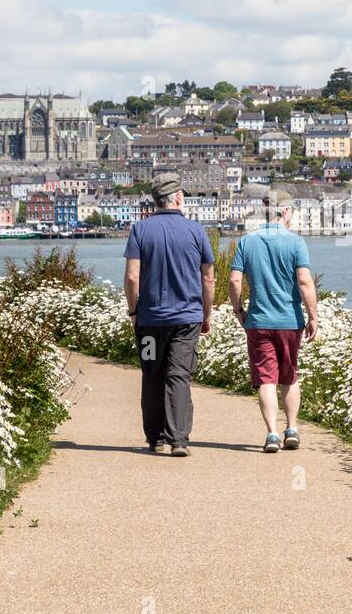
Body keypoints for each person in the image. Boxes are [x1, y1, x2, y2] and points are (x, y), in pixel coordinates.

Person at [123, 171, 215, 456]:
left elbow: (131, 278)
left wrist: (134, 310)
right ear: (177, 197)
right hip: (187, 319)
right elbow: (208, 277)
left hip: (149, 320)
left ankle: (155, 438)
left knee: (152, 374)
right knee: (179, 375)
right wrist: (206, 313)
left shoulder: (140, 230)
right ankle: (179, 439)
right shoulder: (197, 231)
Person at [228, 197, 319, 453]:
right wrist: (313, 316)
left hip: (258, 321)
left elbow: (235, 281)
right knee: (289, 376)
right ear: (286, 211)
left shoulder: (248, 241)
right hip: (290, 321)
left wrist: (239, 310)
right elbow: (304, 282)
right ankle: (292, 429)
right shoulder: (296, 242)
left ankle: (271, 434)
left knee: (267, 378)